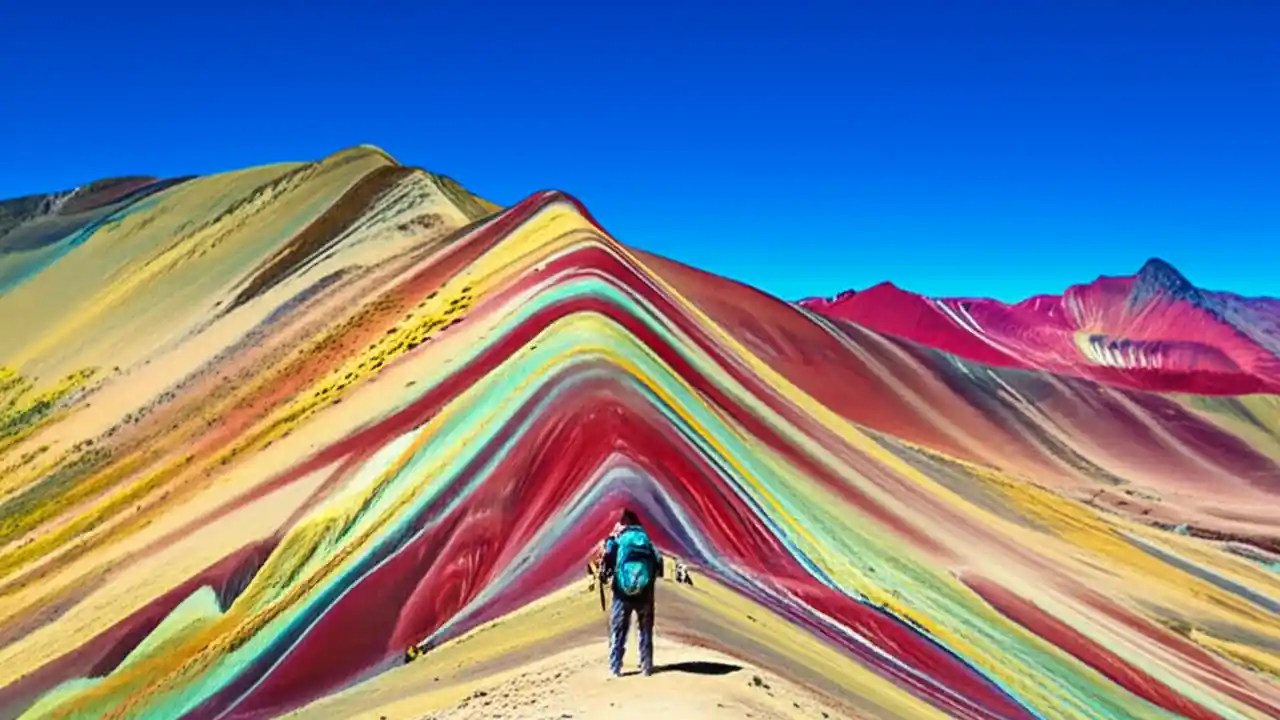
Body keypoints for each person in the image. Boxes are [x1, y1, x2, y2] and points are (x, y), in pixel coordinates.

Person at [599, 508, 662, 676]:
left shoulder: (620, 540)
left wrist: (611, 538)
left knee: (619, 630)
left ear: (624, 523)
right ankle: (646, 667)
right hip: (645, 592)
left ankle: (615, 667)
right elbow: (658, 563)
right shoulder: (646, 540)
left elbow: (607, 559)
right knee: (645, 630)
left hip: (622, 592)